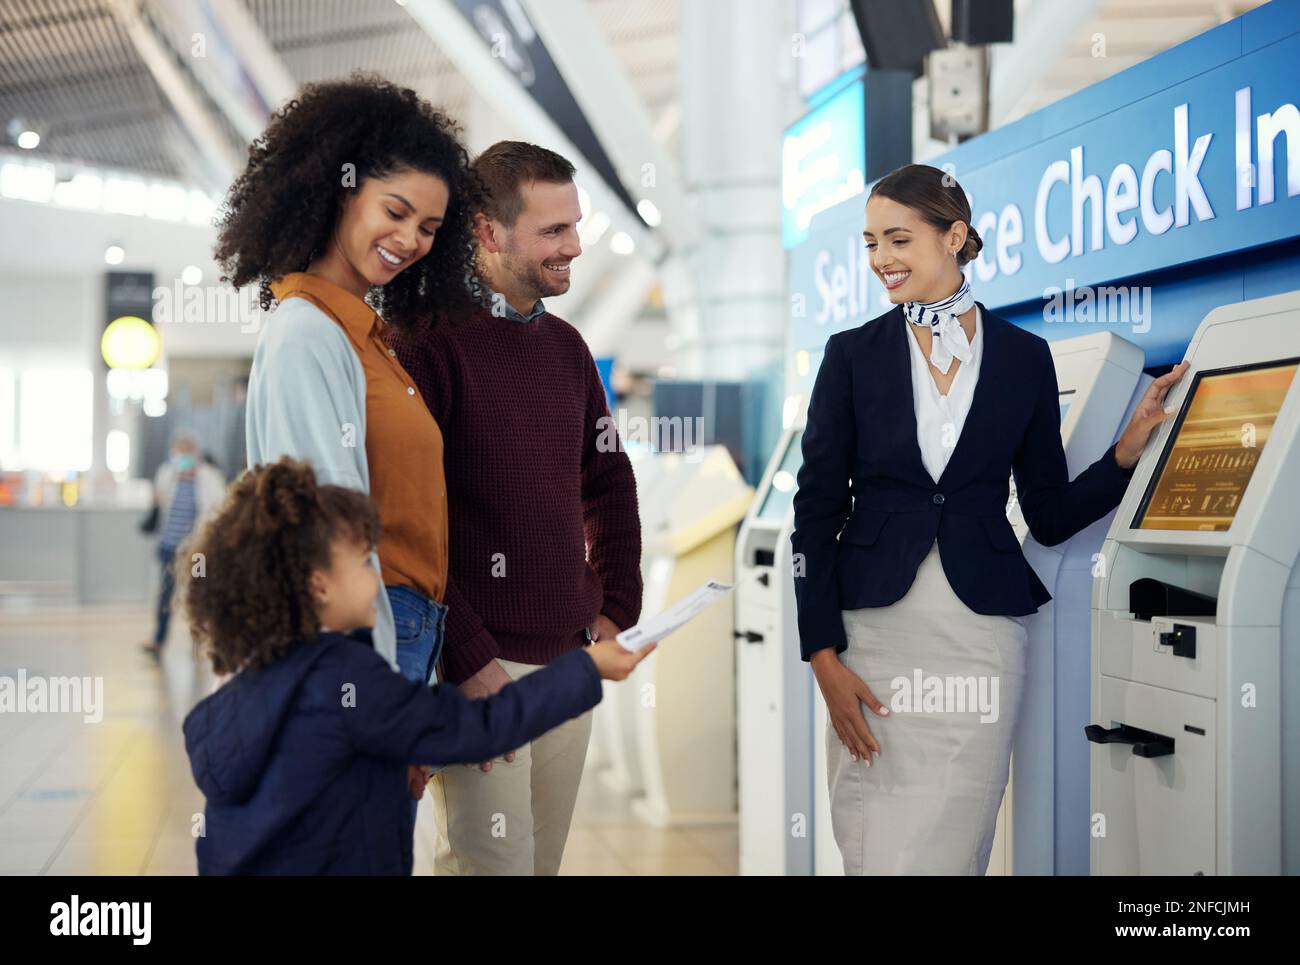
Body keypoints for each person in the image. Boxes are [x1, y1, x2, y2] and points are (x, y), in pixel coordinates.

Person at [791, 163, 1188, 875]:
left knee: (956, 842)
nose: (881, 258)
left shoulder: (1024, 359)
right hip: (874, 638)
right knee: (876, 844)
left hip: (981, 638)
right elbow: (815, 510)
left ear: (955, 236)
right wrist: (822, 655)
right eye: (871, 242)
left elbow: (1049, 512)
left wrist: (1124, 455)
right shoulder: (851, 356)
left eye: (899, 239)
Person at [213, 74, 481, 829]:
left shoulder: (364, 337)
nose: (411, 240)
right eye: (395, 211)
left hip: (400, 636)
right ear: (340, 192)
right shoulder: (307, 334)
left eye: (430, 226)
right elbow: (330, 542)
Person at [179, 457, 651, 874]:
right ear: (319, 585)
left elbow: (315, 760)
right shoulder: (345, 674)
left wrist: (391, 760)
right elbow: (474, 726)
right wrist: (588, 670)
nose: (380, 574)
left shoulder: (239, 694)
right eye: (365, 561)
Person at [390, 141, 643, 876]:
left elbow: (608, 481)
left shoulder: (567, 349)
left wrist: (614, 604)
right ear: (488, 232)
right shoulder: (426, 344)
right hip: (481, 665)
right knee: (489, 863)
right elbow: (413, 522)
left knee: (539, 865)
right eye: (553, 231)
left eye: (575, 225)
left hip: (568, 658)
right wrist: (467, 657)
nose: (575, 246)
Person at [143, 429, 225, 660]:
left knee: (197, 593)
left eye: (187, 453)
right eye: (179, 453)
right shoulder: (167, 474)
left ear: (195, 453)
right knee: (165, 595)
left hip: (197, 552)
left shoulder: (209, 477)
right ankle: (158, 640)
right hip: (169, 548)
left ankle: (199, 641)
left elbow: (217, 509)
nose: (183, 458)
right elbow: (159, 502)